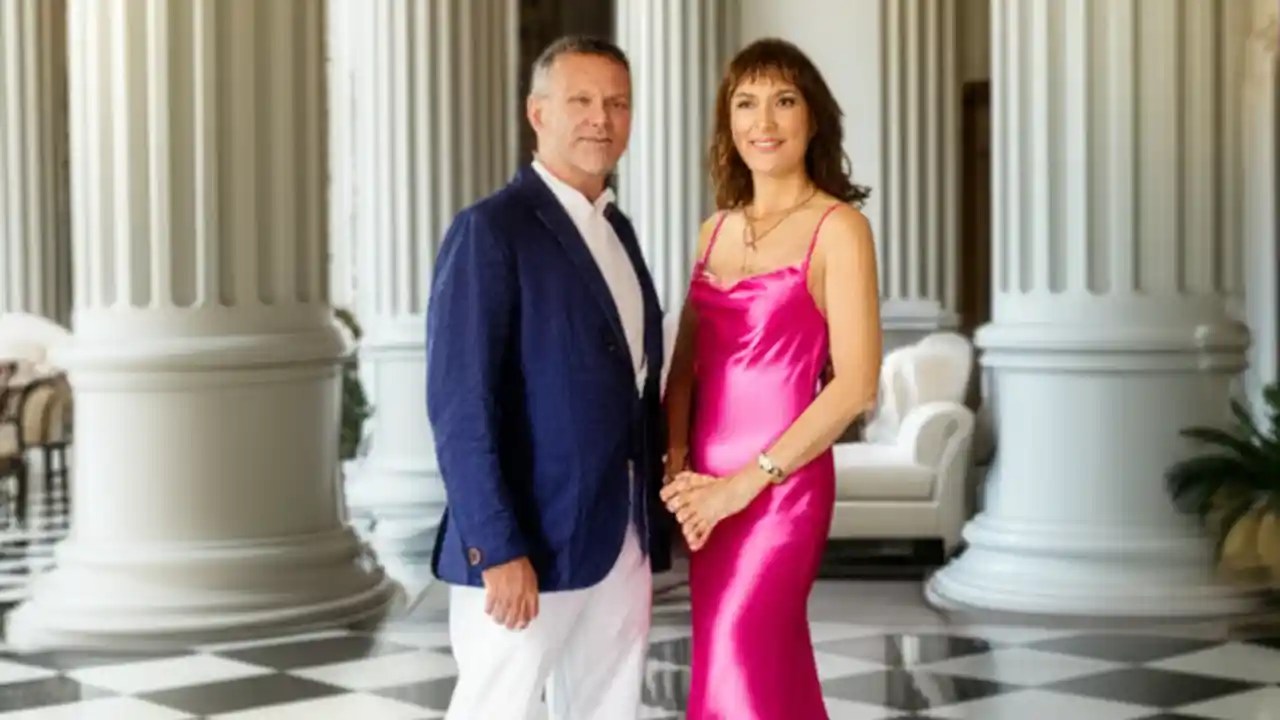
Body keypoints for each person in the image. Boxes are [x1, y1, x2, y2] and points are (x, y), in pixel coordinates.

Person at [425, 36, 670, 719]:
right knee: (494, 707)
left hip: (620, 538)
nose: (601, 117)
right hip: (527, 542)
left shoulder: (619, 231)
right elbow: (460, 406)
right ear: (538, 114)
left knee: (608, 705)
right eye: (581, 101)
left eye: (617, 103)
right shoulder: (491, 230)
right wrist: (496, 547)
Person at [660, 38, 883, 719]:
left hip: (779, 492)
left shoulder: (839, 228)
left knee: (739, 657)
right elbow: (685, 372)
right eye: (746, 103)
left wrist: (742, 486)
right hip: (705, 499)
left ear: (813, 118)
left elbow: (857, 385)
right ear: (728, 123)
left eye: (784, 101)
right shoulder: (713, 231)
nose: (764, 121)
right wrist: (680, 477)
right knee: (753, 668)